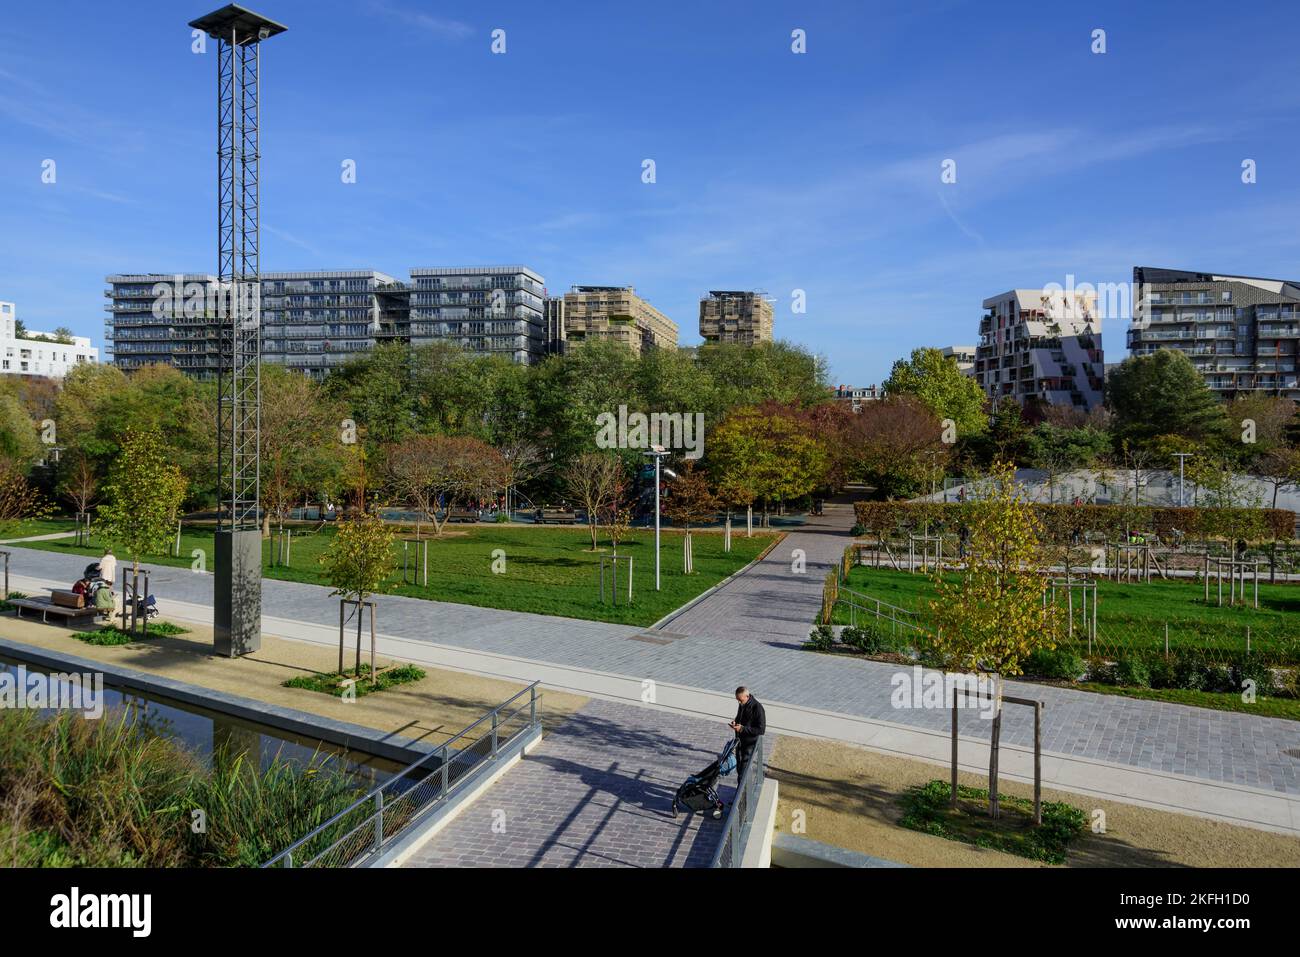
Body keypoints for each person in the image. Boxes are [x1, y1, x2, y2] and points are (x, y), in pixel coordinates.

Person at [729, 686, 766, 774]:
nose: (739, 702)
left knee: (744, 768)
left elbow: (761, 730)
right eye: (737, 699)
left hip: (750, 743)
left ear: (747, 696)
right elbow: (740, 717)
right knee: (739, 767)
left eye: (740, 700)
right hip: (740, 740)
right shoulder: (742, 703)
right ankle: (740, 786)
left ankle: (743, 787)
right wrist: (735, 721)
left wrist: (742, 728)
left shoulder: (757, 708)